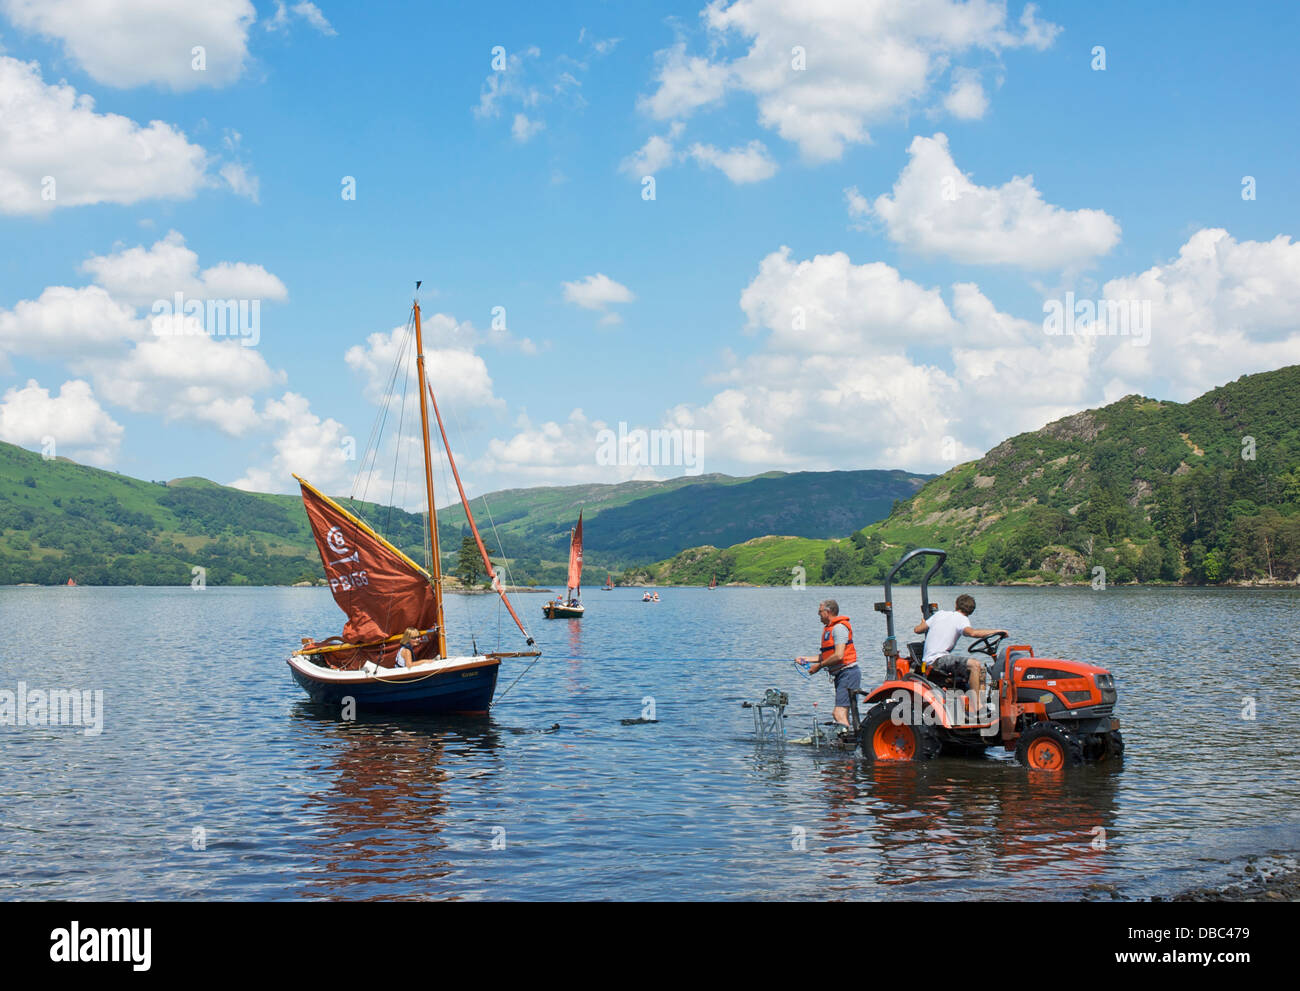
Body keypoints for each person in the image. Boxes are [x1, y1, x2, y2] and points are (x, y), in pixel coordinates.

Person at [914, 594, 1006, 696]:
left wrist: (924, 623)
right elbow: (972, 633)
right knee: (975, 665)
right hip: (936, 660)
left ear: (956, 605)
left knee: (982, 670)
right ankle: (977, 705)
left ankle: (982, 701)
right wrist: (998, 630)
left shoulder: (939, 614)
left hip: (934, 659)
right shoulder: (961, 619)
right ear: (971, 611)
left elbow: (917, 630)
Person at [798, 599, 859, 731]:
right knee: (842, 714)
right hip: (843, 674)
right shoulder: (830, 629)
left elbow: (838, 655)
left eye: (820, 611)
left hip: (848, 673)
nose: (818, 614)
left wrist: (819, 666)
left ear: (828, 612)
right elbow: (827, 656)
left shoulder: (838, 628)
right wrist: (806, 659)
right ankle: (847, 742)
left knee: (838, 714)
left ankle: (844, 744)